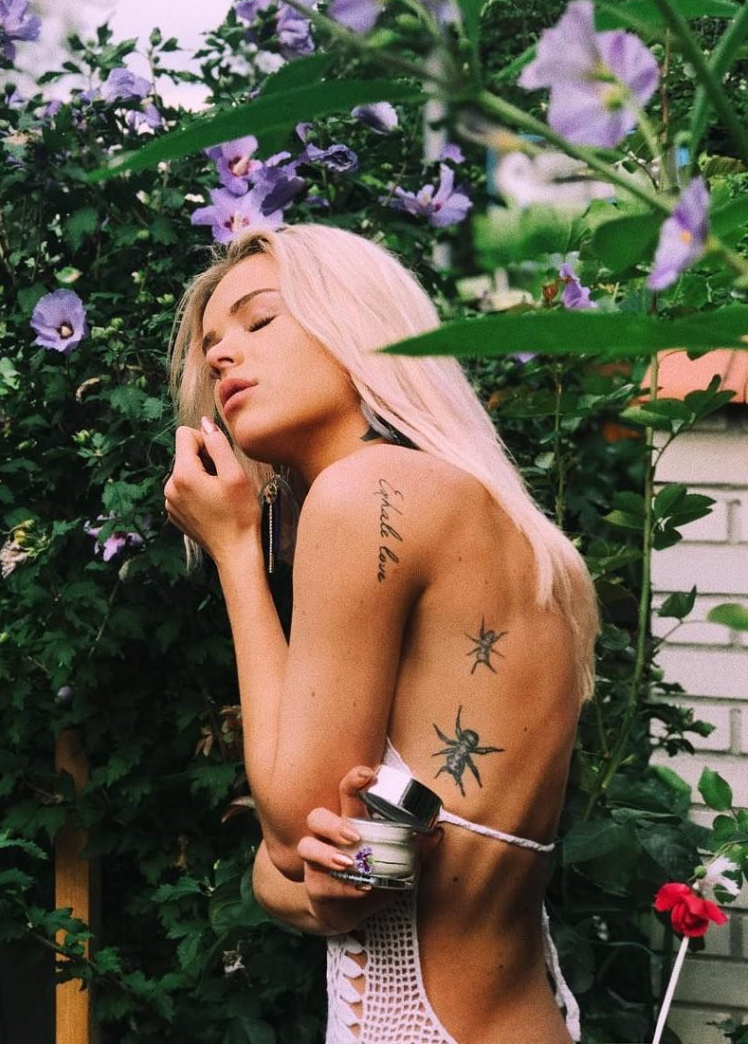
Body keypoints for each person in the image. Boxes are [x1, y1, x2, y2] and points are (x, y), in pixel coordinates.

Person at [165, 224, 598, 1044]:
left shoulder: (365, 494)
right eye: (211, 347)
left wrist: (233, 551)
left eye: (260, 320)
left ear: (358, 325)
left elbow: (289, 832)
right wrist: (309, 879)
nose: (221, 356)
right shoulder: (493, 518)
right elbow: (331, 873)